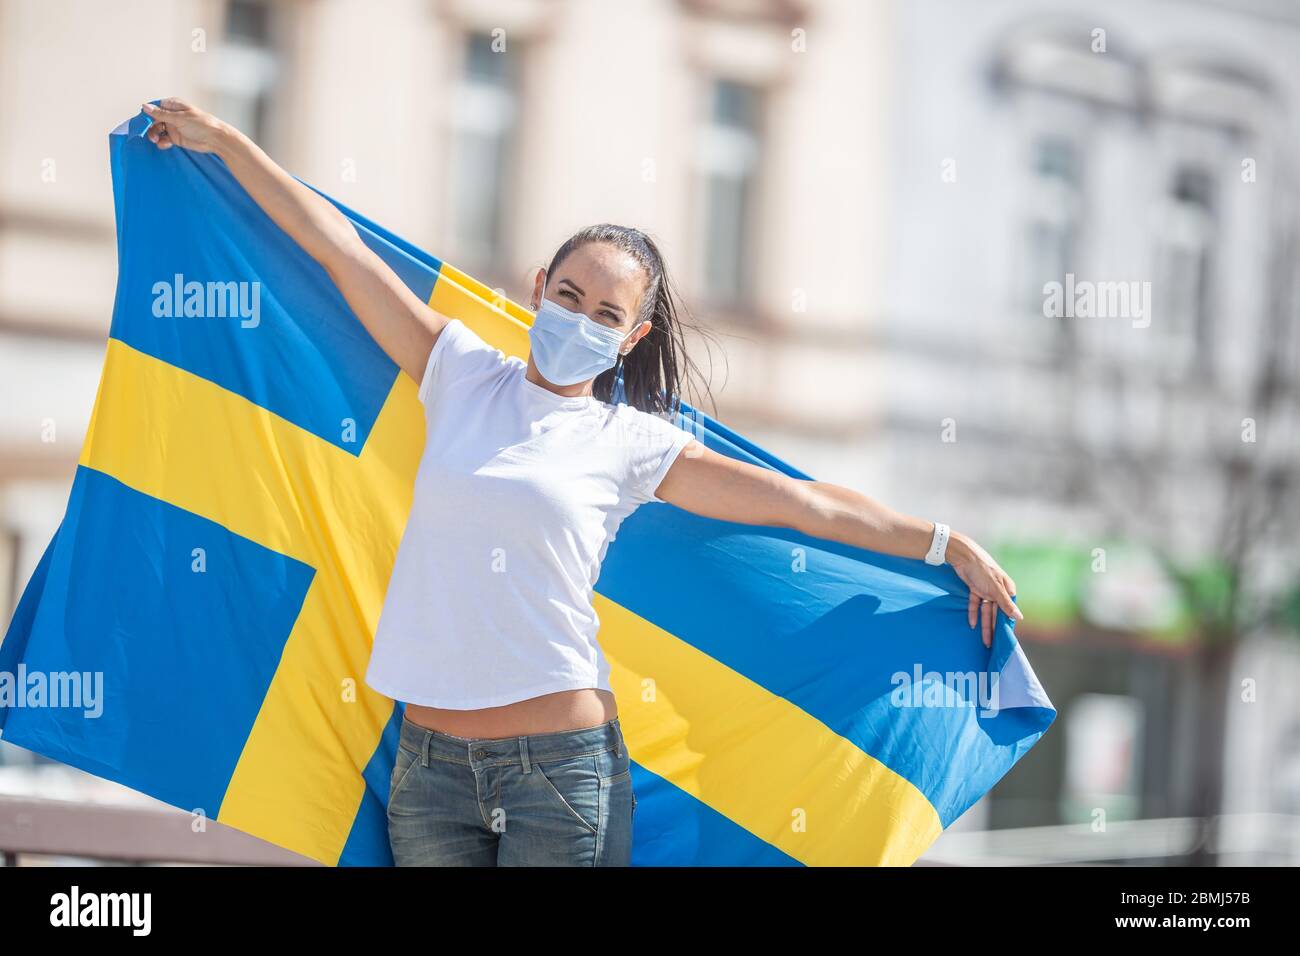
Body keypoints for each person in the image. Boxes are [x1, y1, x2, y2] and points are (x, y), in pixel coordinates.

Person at [139, 98, 1023, 867]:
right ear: (537, 288)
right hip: (425, 767)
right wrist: (222, 142)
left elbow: (805, 504)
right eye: (567, 296)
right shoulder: (460, 374)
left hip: (559, 773)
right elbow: (340, 252)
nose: (578, 319)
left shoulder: (630, 444)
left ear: (631, 338)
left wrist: (947, 545)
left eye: (606, 313)